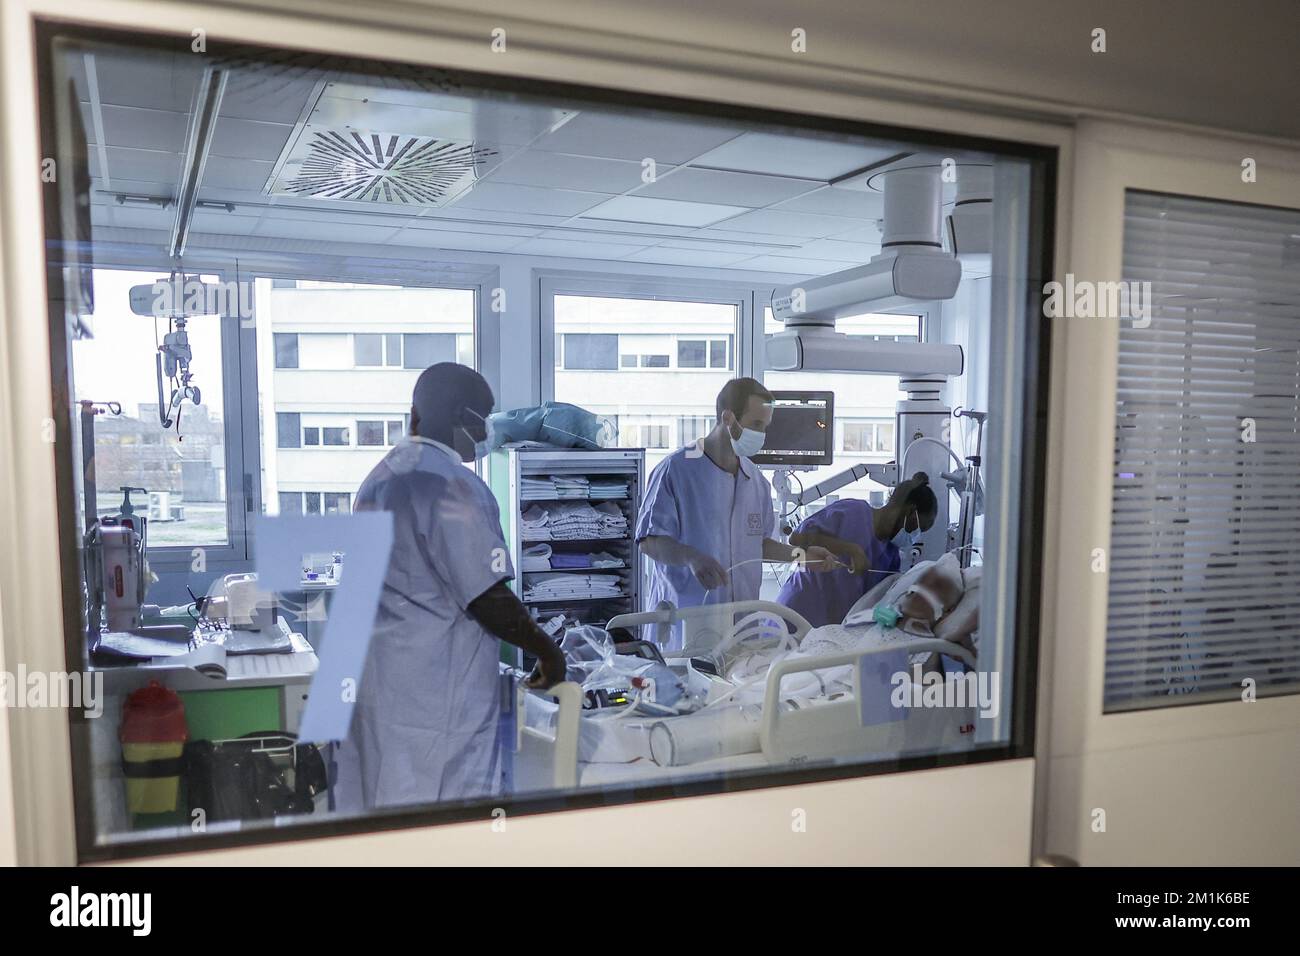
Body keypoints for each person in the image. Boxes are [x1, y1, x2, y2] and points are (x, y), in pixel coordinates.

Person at [335, 363, 566, 812]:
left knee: (388, 813)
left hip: (383, 688)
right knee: (447, 824)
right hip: (438, 699)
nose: (487, 431)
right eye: (486, 418)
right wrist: (547, 650)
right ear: (462, 416)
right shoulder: (455, 484)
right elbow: (487, 595)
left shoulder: (378, 479)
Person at [636, 377, 837, 644]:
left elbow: (759, 544)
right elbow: (649, 541)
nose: (762, 435)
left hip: (740, 626)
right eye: (756, 424)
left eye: (765, 427)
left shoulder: (755, 481)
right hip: (685, 622)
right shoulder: (676, 470)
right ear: (728, 418)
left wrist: (802, 556)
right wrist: (692, 557)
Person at [775, 473, 939, 628]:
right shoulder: (852, 512)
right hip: (797, 614)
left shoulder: (891, 556)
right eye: (920, 528)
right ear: (910, 511)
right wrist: (850, 549)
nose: (915, 537)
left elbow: (879, 602)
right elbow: (796, 538)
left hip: (831, 631)